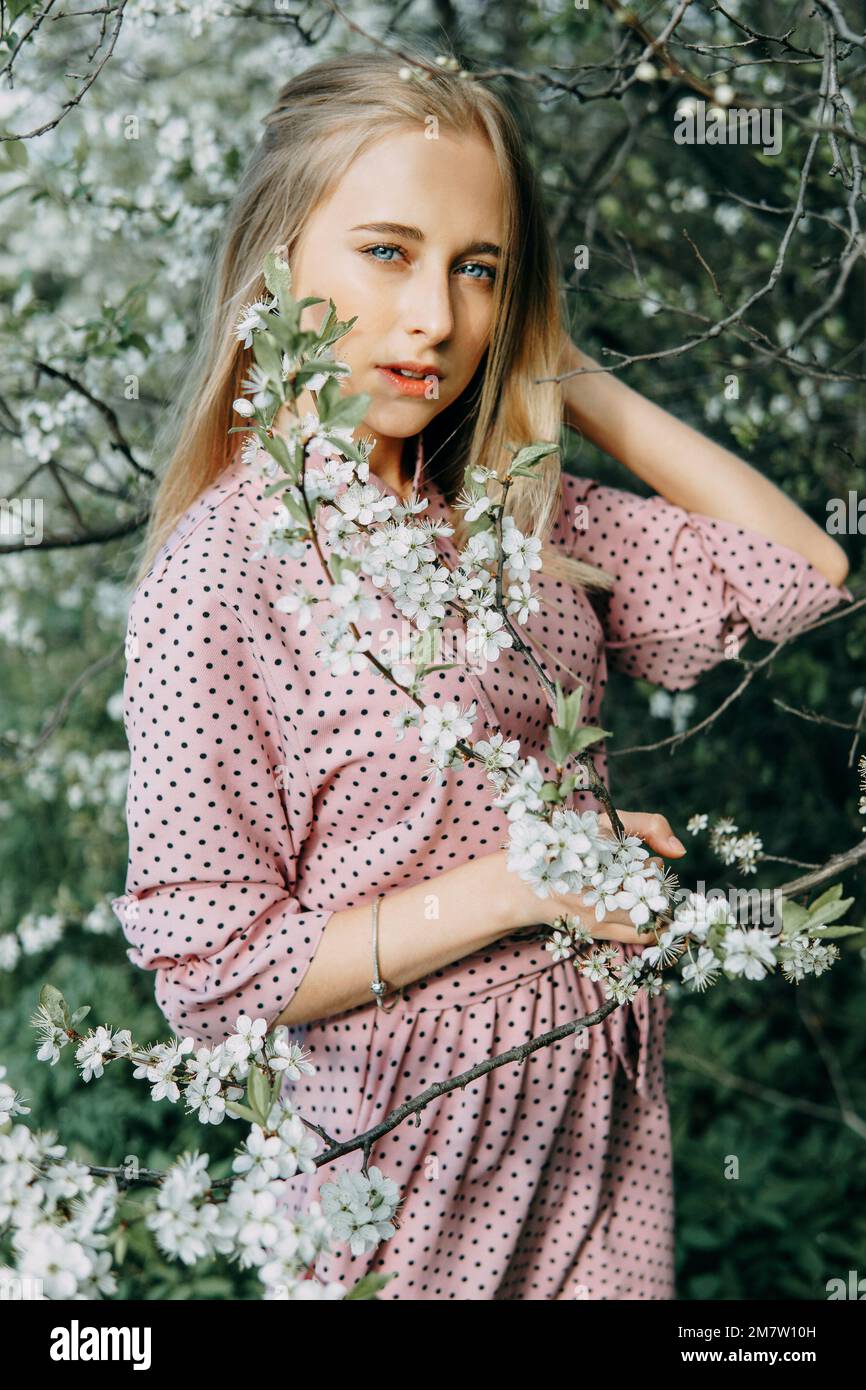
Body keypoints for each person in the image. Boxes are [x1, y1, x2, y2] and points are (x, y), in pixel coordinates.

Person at [114, 50, 852, 1301]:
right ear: (277, 259)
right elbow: (216, 970)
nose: (437, 321)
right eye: (388, 253)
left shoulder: (514, 521)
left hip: (593, 1116)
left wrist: (565, 371)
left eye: (479, 271)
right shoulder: (220, 576)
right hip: (406, 1167)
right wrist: (523, 884)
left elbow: (803, 565)